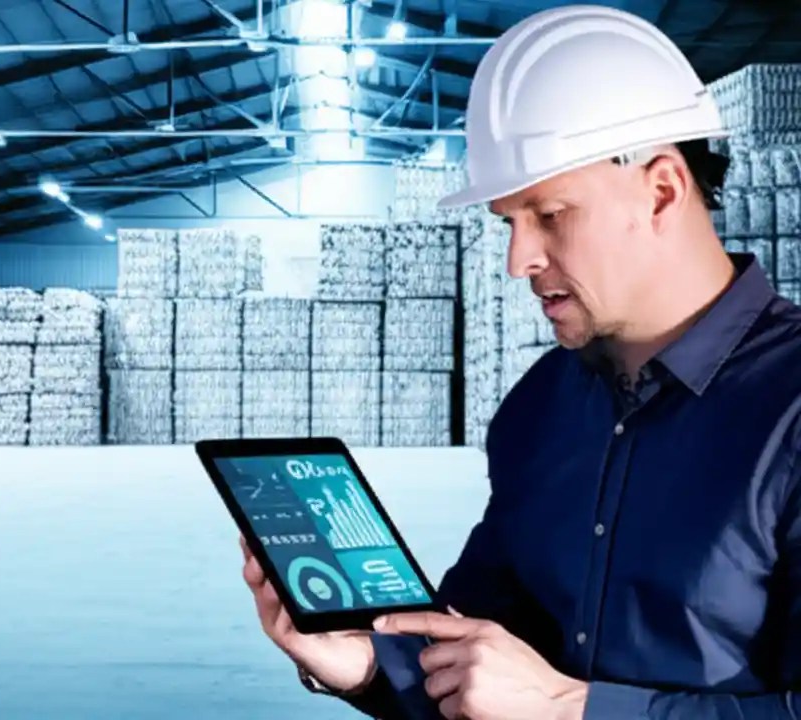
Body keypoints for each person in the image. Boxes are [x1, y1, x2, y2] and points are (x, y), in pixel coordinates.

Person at [240, 5, 801, 719]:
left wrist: (574, 709)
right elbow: (477, 662)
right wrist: (365, 665)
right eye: (508, 221)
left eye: (550, 215)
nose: (518, 260)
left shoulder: (788, 413)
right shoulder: (539, 408)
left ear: (661, 190)